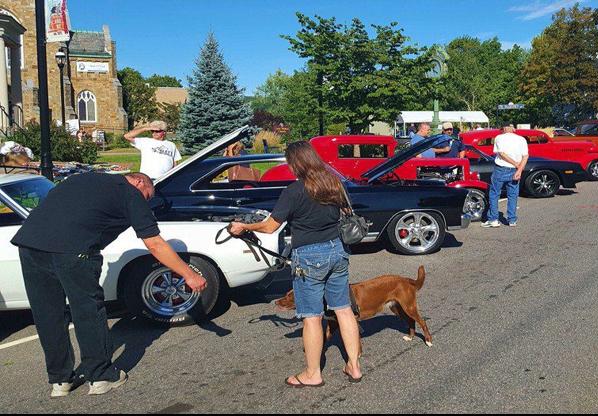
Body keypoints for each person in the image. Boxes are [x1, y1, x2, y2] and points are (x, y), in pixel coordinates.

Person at [11, 172, 208, 397]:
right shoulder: (130, 193)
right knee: (87, 310)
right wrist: (188, 274)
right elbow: (154, 244)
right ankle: (101, 376)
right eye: (148, 195)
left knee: (48, 314)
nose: (146, 201)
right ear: (139, 182)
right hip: (74, 251)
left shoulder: (82, 178)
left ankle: (60, 380)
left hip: (29, 244)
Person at [228, 141, 363, 387]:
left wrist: (244, 226)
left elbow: (270, 226)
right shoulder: (334, 184)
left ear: (295, 163)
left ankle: (313, 373)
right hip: (337, 250)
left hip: (309, 255)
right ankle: (354, 366)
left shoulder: (294, 191)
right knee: (343, 310)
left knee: (312, 317)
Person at [483, 125, 529, 228]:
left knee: (494, 193)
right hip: (515, 170)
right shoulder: (521, 139)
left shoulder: (499, 137)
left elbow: (502, 154)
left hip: (501, 168)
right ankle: (512, 219)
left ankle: (493, 219)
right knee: (513, 194)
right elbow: (525, 156)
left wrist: (516, 164)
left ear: (503, 129)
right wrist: (519, 169)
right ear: (514, 129)